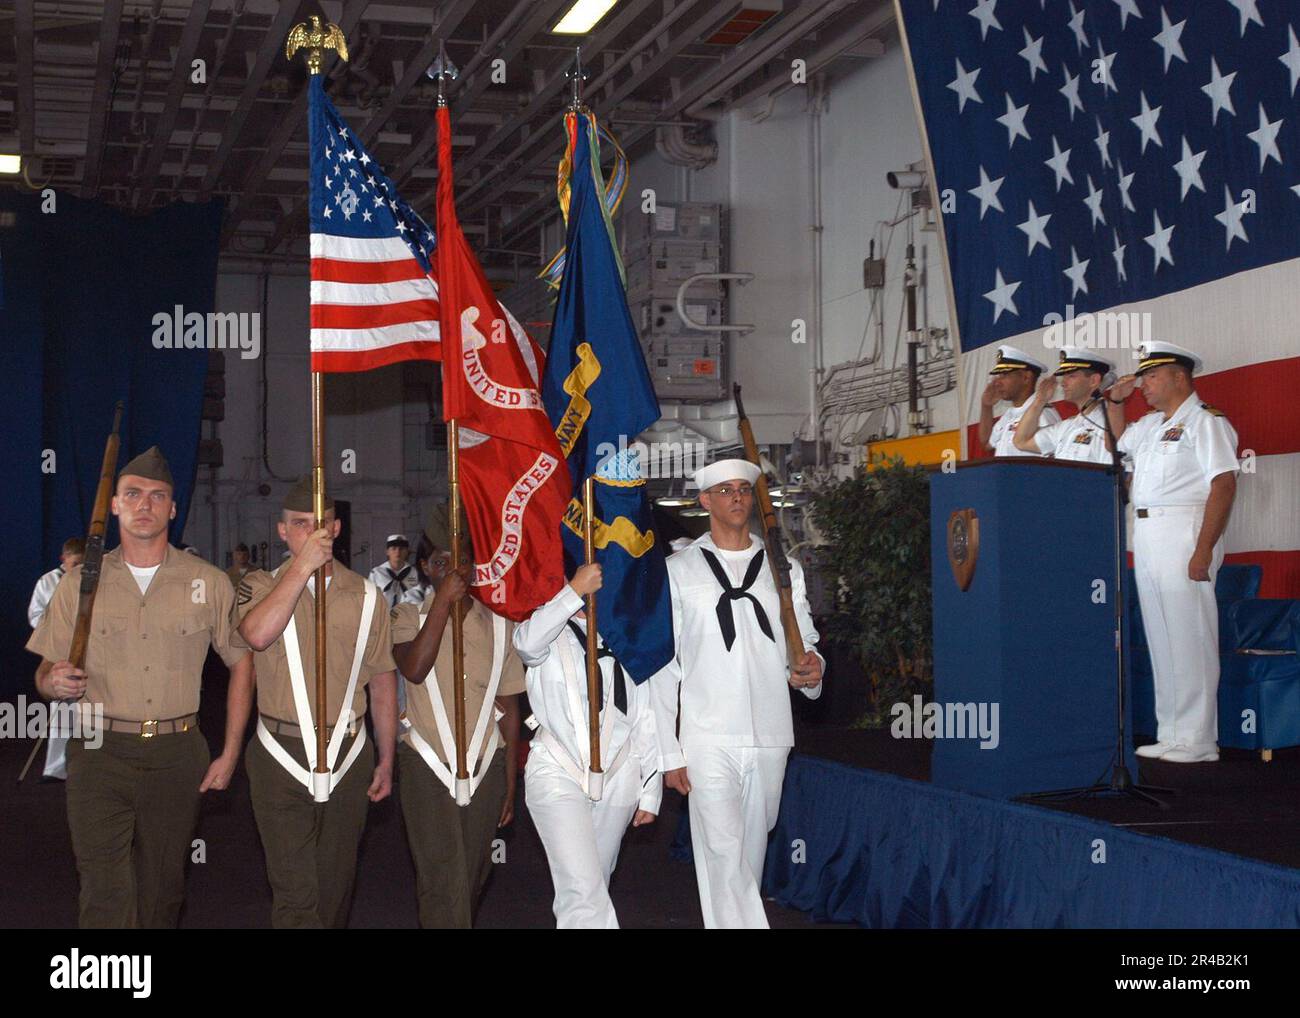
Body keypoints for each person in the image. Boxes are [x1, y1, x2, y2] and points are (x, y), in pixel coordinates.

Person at [26, 447, 253, 928]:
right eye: (132, 495)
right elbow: (45, 670)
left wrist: (231, 752)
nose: (144, 504)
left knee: (163, 888)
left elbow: (242, 662)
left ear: (173, 508)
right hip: (97, 749)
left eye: (157, 496)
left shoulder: (208, 583)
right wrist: (54, 681)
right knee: (103, 887)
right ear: (114, 506)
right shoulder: (79, 585)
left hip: (177, 752)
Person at [650, 459, 824, 928]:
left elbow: (804, 642)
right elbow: (664, 666)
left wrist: (812, 668)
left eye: (744, 489)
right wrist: (668, 751)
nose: (737, 498)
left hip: (770, 732)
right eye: (724, 490)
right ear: (704, 501)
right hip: (706, 735)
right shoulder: (677, 571)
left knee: (748, 852)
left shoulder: (781, 569)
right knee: (723, 850)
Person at [234, 476, 398, 928]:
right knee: (295, 893)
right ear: (283, 531)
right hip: (279, 753)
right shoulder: (257, 585)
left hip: (348, 753)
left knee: (333, 888)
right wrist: (300, 570)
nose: (314, 533)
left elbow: (382, 679)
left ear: (338, 530)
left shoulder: (367, 596)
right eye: (301, 524)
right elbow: (256, 635)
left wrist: (386, 758)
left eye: (322, 523)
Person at [390, 502, 524, 928]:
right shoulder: (406, 615)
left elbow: (510, 707)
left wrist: (509, 782)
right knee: (442, 876)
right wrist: (442, 606)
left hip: (486, 763)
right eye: (442, 562)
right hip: (426, 762)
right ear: (426, 568)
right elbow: (413, 668)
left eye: (463, 560)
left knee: (470, 875)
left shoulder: (499, 625)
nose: (454, 569)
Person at [1105, 342, 1239, 764]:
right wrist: (1115, 400)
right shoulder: (1149, 426)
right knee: (1162, 637)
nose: (1143, 384)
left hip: (1185, 530)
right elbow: (1117, 444)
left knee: (1189, 635)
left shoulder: (1206, 422)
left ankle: (1199, 739)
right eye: (1142, 376)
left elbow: (1224, 484)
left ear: (1179, 377)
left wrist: (1203, 550)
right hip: (1146, 532)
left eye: (1151, 376)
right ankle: (1172, 733)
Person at [514, 562, 661, 929]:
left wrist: (650, 788)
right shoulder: (547, 628)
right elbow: (526, 645)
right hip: (557, 770)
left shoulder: (626, 634)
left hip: (619, 773)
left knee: (590, 888)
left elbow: (645, 713)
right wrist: (572, 593)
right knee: (583, 891)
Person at [1013, 347, 1116, 463]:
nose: (1063, 383)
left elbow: (1112, 477)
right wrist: (1039, 401)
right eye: (1064, 377)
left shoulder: (1108, 426)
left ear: (1094, 380)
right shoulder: (1066, 427)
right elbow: (1021, 441)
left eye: (1071, 376)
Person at [979, 345, 1060, 457]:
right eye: (998, 375)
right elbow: (987, 444)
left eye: (1004, 375)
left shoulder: (1042, 414)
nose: (997, 382)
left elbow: (1052, 460)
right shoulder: (1009, 415)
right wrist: (986, 407)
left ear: (1026, 377)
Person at [28, 537, 84, 627]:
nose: (79, 569)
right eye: (75, 564)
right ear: (63, 559)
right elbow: (35, 617)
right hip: (55, 636)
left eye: (83, 564)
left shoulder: (92, 580)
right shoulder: (46, 582)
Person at [369, 534, 418, 608]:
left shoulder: (415, 573)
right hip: (383, 615)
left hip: (407, 615)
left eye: (401, 548)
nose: (398, 552)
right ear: (387, 552)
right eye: (394, 548)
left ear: (407, 552)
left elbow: (419, 597)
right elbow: (370, 598)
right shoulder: (376, 573)